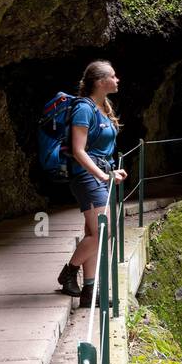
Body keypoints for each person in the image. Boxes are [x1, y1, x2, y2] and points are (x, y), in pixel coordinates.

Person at [56, 60, 127, 308]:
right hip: (87, 177)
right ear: (100, 81)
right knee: (104, 231)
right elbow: (78, 150)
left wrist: (110, 170)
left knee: (94, 233)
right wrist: (102, 175)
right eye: (113, 76)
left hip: (99, 174)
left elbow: (99, 150)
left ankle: (89, 292)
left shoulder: (102, 107)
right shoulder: (84, 109)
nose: (117, 80)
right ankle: (69, 272)